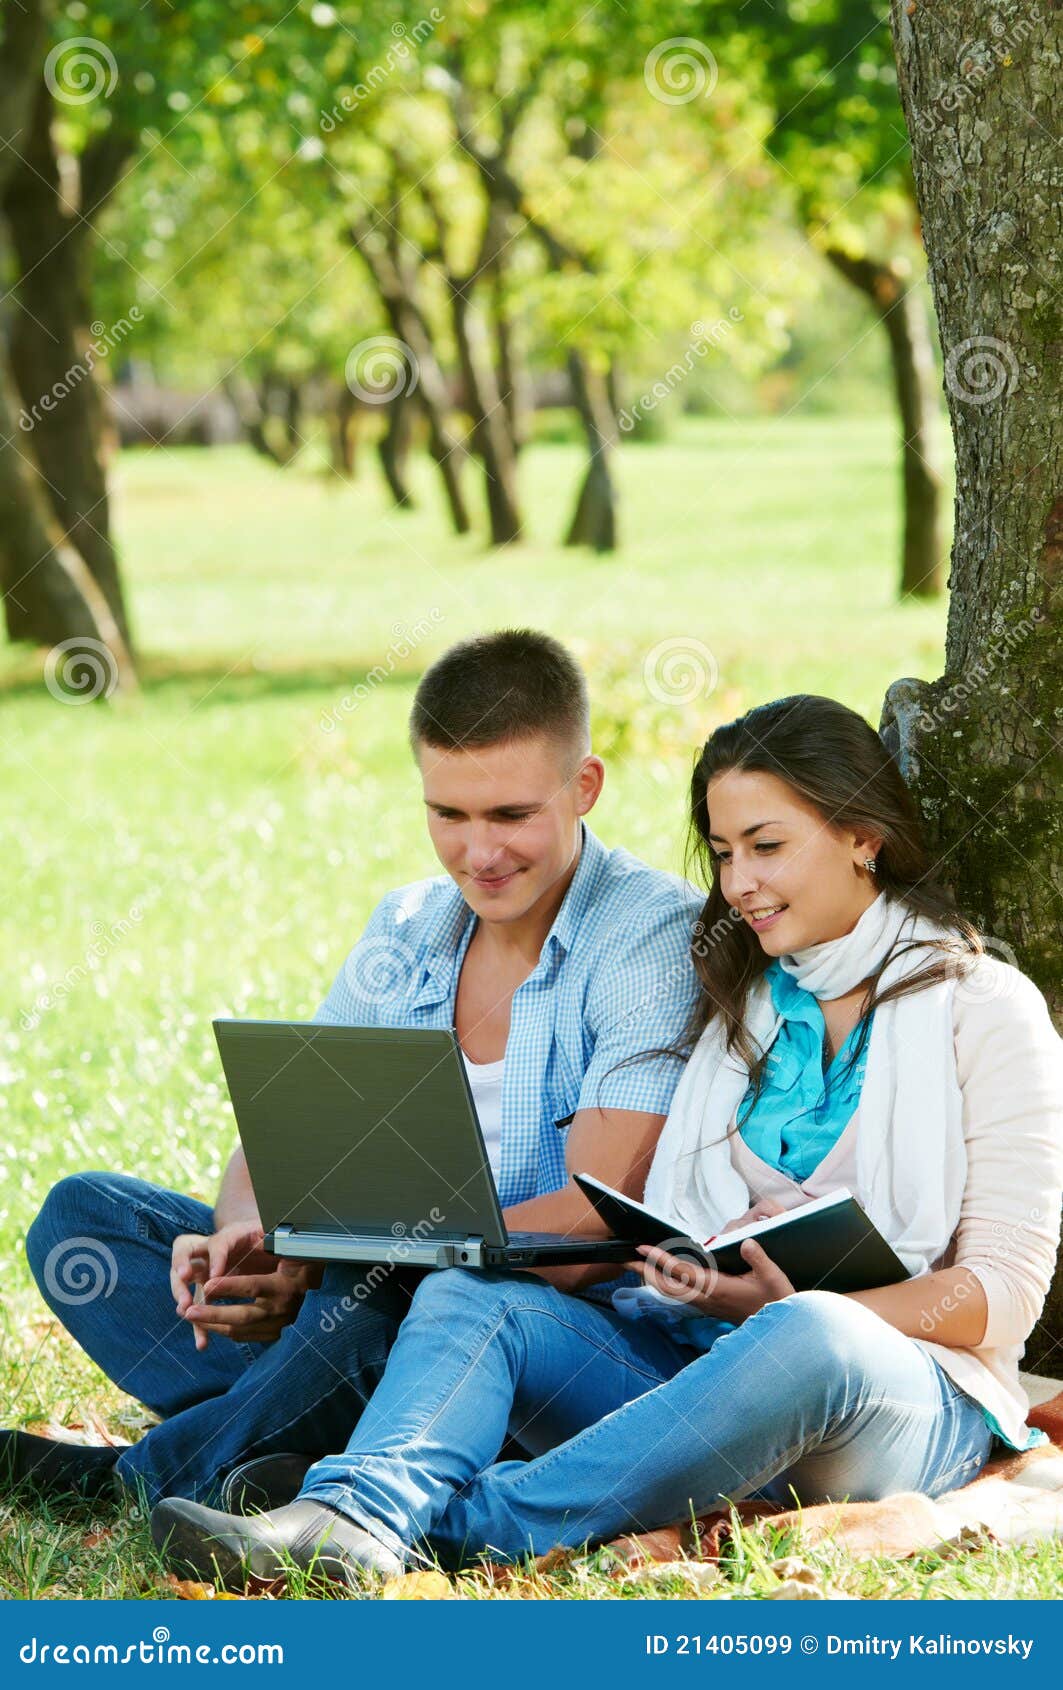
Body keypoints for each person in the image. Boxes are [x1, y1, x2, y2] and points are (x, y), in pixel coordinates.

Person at [150, 693, 1063, 1589]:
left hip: (902, 1396)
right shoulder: (739, 1003)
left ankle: (452, 1527)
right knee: (473, 1292)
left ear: (862, 837)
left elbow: (1002, 1294)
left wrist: (783, 1308)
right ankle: (356, 1515)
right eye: (722, 853)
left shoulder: (982, 1009)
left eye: (767, 846)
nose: (738, 883)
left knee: (812, 1331)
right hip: (693, 1363)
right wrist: (698, 1279)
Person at [5, 630, 701, 1509]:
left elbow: (593, 1228)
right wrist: (256, 1240)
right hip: (360, 1300)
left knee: (384, 1300)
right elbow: (290, 1140)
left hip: (534, 1336)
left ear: (585, 786)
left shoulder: (648, 936)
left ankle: (142, 1478)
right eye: (448, 815)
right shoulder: (406, 926)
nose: (478, 854)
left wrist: (375, 1258)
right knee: (86, 1220)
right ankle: (287, 1441)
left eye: (510, 816)